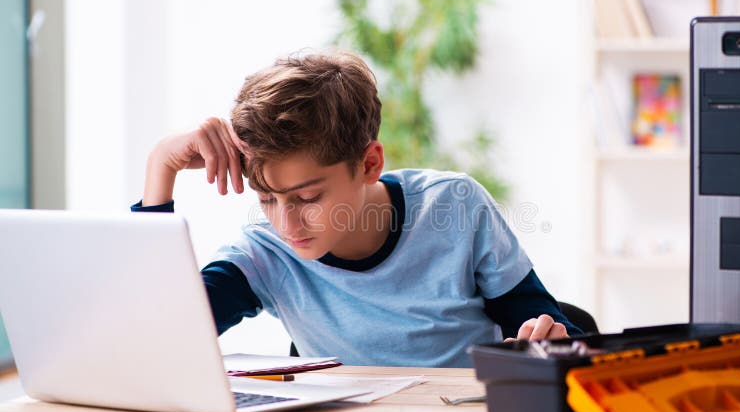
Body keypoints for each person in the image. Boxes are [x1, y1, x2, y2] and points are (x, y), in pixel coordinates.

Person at [132, 49, 581, 367]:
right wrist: (160, 168)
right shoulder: (264, 255)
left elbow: (570, 345)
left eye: (308, 197)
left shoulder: (454, 206)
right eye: (267, 198)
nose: (286, 223)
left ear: (369, 164)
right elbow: (155, 337)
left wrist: (549, 341)